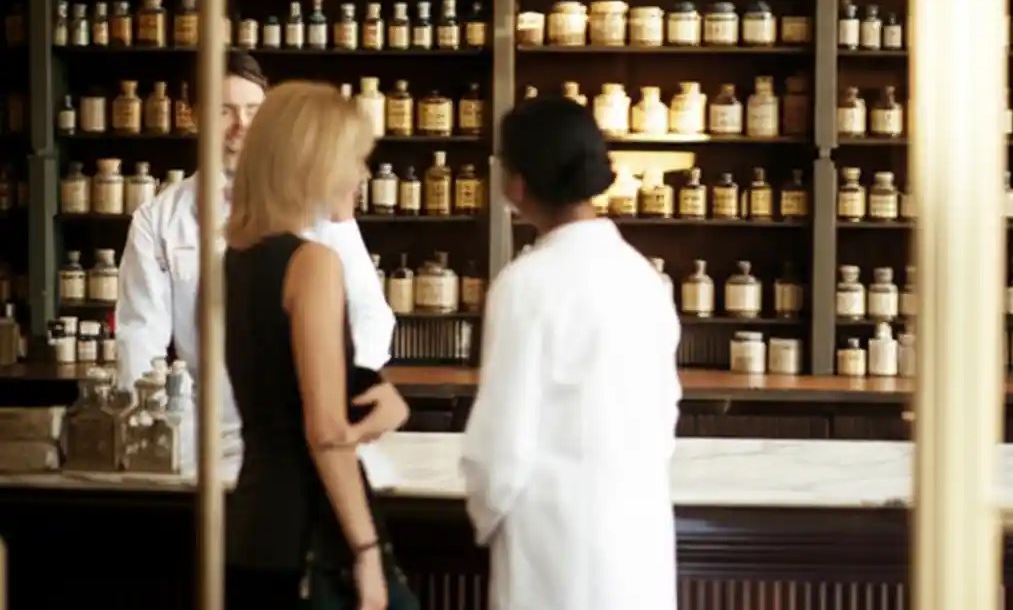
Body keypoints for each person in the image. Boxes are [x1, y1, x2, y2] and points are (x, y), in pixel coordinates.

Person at [114, 52, 395, 459]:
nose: (241, 126)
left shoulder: (317, 204)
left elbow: (370, 314)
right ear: (192, 116)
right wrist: (158, 432)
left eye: (252, 110)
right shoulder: (158, 220)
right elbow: (140, 338)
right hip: (203, 435)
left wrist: (340, 391)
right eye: (224, 111)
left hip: (310, 426)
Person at [461, 97, 682, 610]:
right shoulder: (643, 278)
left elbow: (502, 444)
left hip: (553, 549)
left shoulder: (526, 285)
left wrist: (486, 509)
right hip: (637, 535)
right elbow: (664, 411)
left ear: (515, 185)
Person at [222, 82, 415, 608]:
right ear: (315, 163)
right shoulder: (312, 264)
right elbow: (325, 432)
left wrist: (371, 393)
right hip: (313, 540)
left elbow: (282, 385)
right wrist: (368, 551)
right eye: (354, 159)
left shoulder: (239, 256)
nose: (361, 175)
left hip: (253, 531)